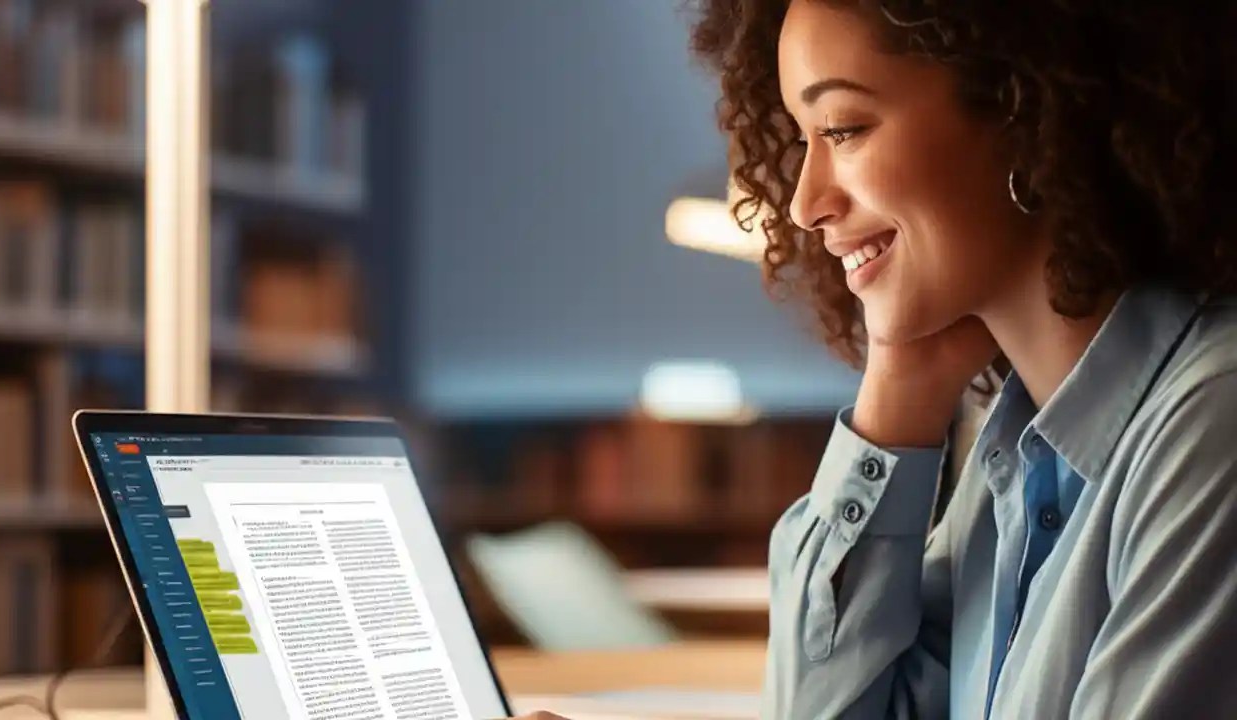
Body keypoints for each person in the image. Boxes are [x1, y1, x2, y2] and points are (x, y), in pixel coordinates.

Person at [518, 0, 1237, 717]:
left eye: (844, 129)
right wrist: (897, 390)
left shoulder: (1213, 430)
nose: (804, 204)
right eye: (804, 142)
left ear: (1026, 107)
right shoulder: (1014, 462)